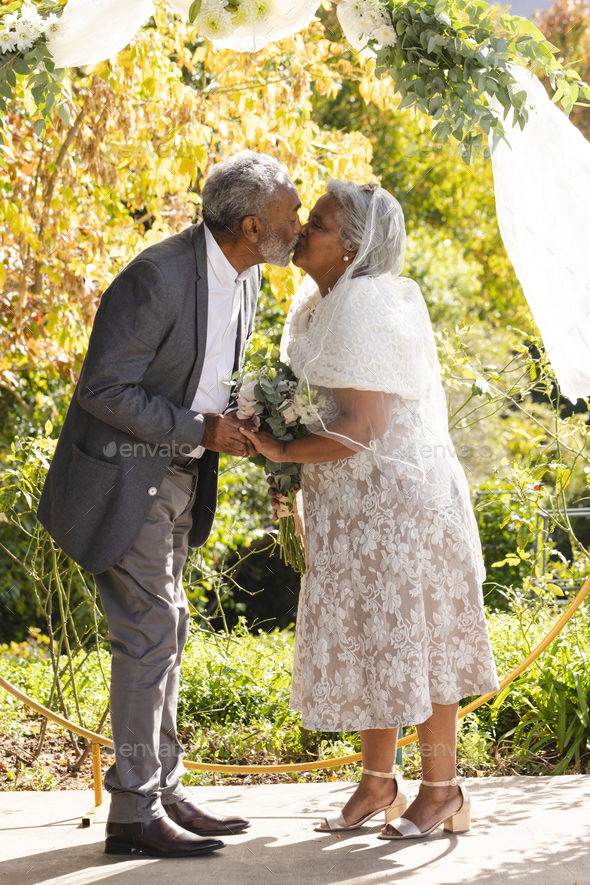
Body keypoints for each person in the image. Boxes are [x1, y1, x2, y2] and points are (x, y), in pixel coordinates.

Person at [38, 151, 302, 858]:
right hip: (126, 477)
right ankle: (132, 810)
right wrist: (198, 428)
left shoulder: (245, 278)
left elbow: (206, 376)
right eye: (290, 214)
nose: (298, 225)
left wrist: (245, 419)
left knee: (169, 627)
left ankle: (159, 786)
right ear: (252, 224)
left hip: (183, 478)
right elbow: (103, 388)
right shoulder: (156, 276)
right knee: (151, 630)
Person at [242, 179, 499, 840]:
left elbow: (362, 425)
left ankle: (442, 790)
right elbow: (316, 404)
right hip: (349, 506)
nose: (303, 231)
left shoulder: (364, 302)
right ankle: (379, 783)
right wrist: (283, 457)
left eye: (318, 223)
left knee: (419, 640)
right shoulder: (316, 301)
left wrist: (280, 445)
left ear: (351, 246)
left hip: (395, 508)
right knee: (371, 641)